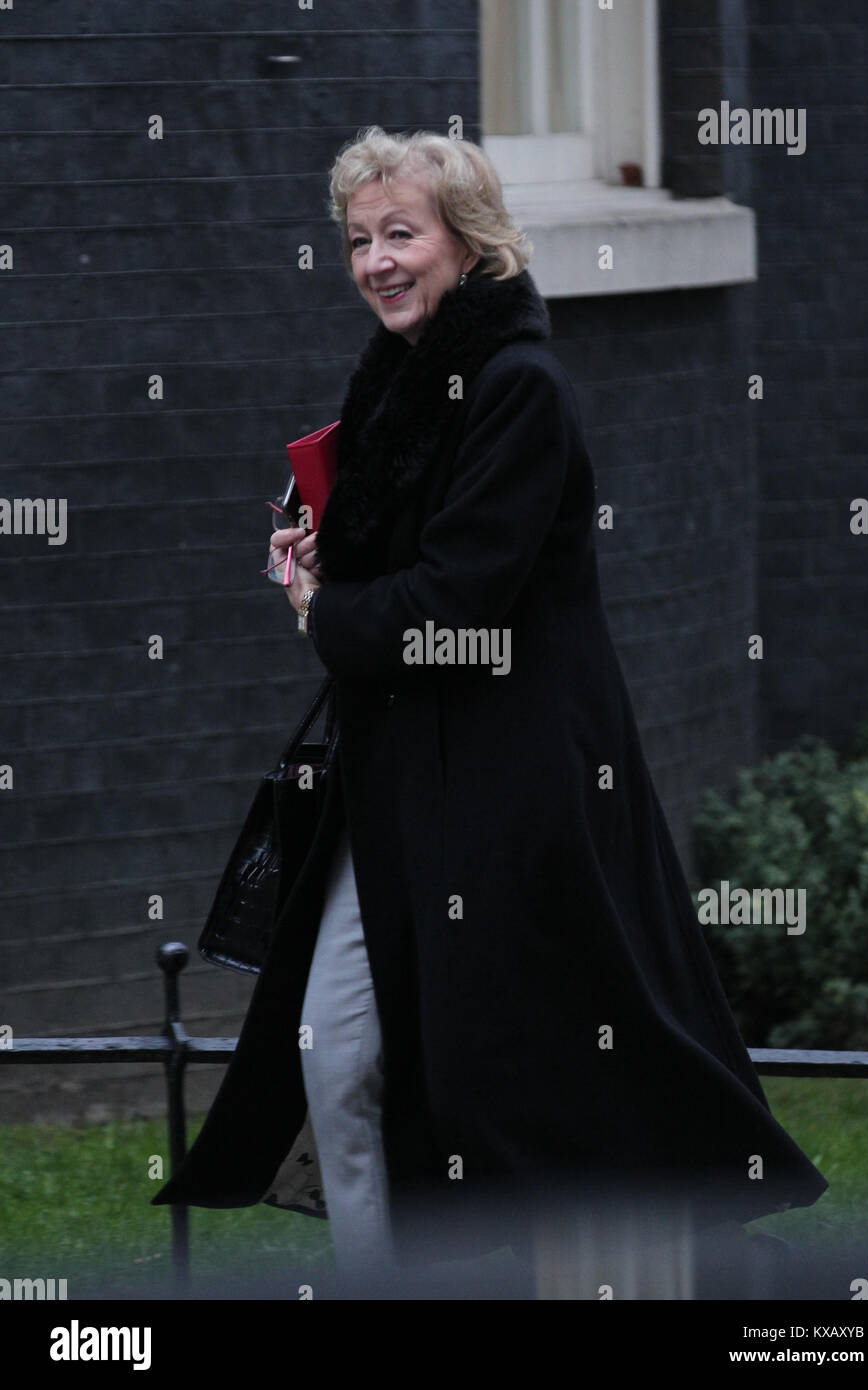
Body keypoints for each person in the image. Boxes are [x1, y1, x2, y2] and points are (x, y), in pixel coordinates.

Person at [153, 125, 827, 1292]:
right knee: (335, 1045)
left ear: (469, 243)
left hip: (514, 798)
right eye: (359, 239)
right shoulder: (393, 393)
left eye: (400, 234)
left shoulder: (519, 388)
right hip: (394, 785)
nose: (376, 261)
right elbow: (391, 582)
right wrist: (315, 550)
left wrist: (323, 607)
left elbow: (456, 603)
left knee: (533, 1079)